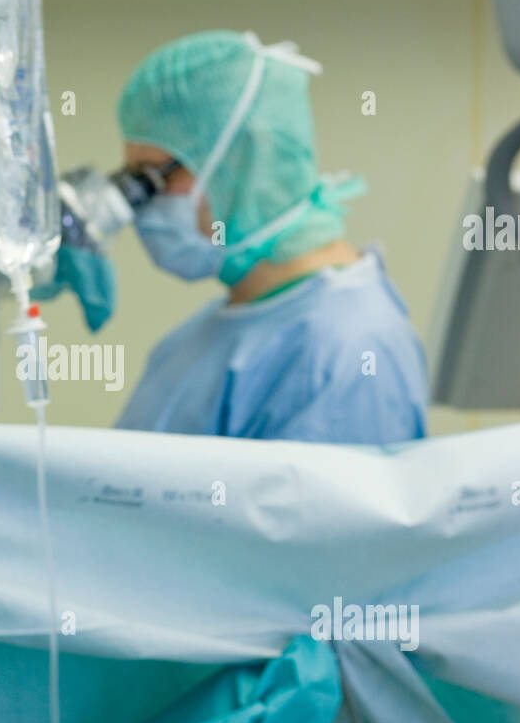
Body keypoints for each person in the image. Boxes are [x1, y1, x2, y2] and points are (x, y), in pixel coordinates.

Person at [113, 30, 429, 444]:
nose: (142, 206)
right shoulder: (210, 333)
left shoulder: (345, 352)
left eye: (153, 177)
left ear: (240, 162)